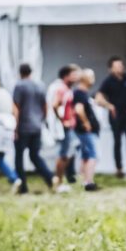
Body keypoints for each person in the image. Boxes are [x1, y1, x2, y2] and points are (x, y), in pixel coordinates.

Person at [95, 56, 126, 179]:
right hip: (116, 115)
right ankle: (119, 168)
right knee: (117, 142)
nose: (120, 68)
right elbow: (98, 98)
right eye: (117, 66)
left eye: (121, 65)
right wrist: (109, 106)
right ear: (111, 69)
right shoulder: (108, 81)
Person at [12, 64, 54, 194]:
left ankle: (23, 186)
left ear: (20, 73)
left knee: (19, 157)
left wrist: (15, 127)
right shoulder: (40, 85)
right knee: (35, 156)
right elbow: (45, 106)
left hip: (23, 126)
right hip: (36, 126)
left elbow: (16, 108)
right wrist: (42, 120)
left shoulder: (19, 86)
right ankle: (50, 178)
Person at [51, 65, 79, 193]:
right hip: (65, 128)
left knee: (67, 154)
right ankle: (58, 182)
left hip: (70, 126)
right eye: (73, 74)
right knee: (63, 155)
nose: (76, 77)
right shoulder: (61, 89)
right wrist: (63, 120)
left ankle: (60, 181)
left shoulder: (68, 89)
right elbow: (55, 105)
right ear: (66, 76)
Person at [73, 69, 100, 192]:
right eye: (91, 76)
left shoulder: (83, 93)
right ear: (85, 79)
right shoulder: (79, 93)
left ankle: (84, 181)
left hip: (84, 130)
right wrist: (86, 123)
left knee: (85, 156)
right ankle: (89, 182)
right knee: (92, 155)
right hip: (85, 131)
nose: (93, 79)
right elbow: (78, 109)